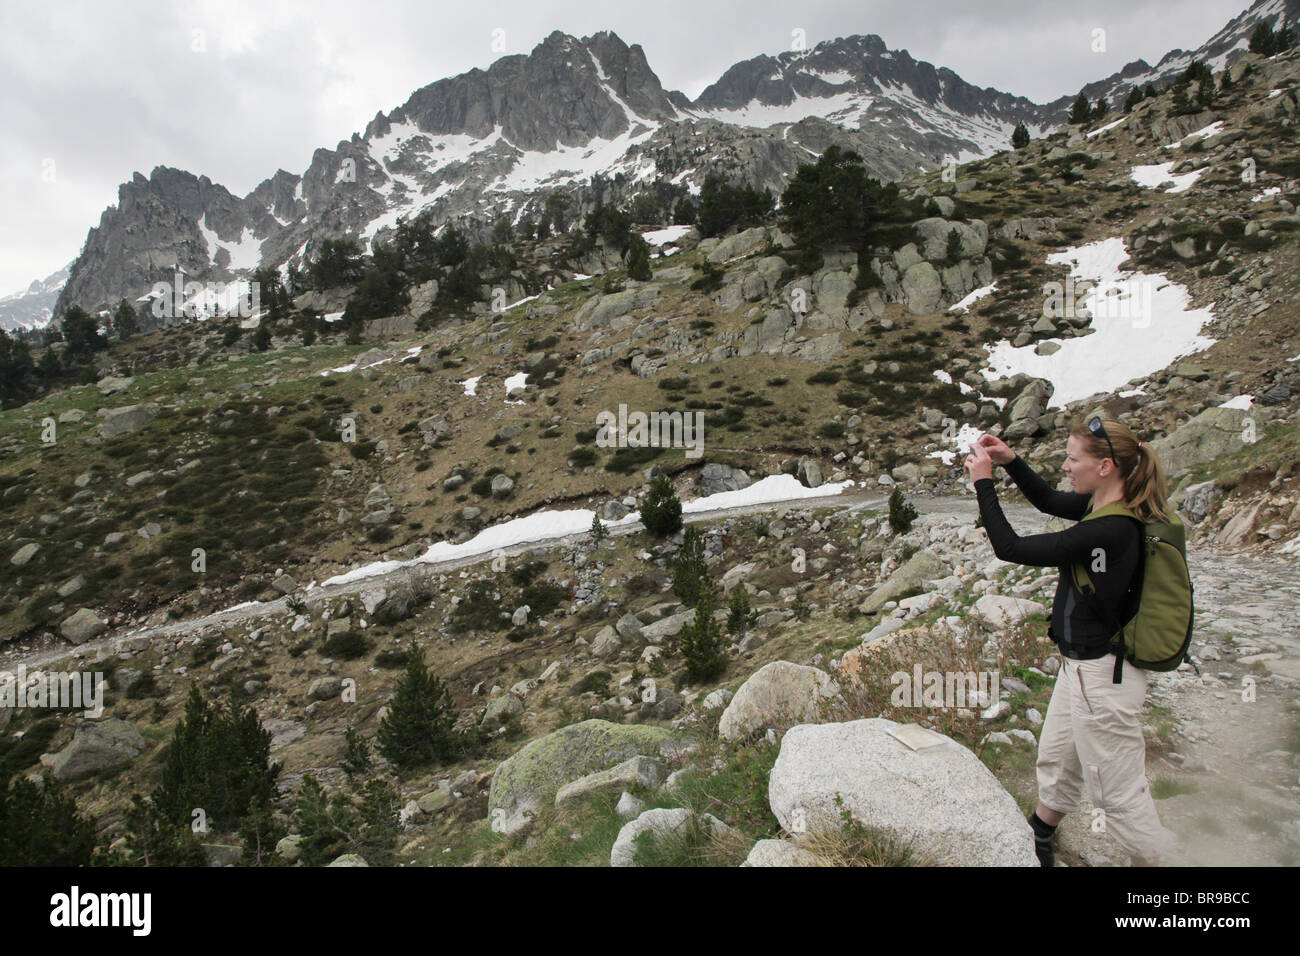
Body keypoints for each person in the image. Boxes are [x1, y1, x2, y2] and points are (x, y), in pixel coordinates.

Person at [962, 416, 1176, 867]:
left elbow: (1012, 548)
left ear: (1104, 467)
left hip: (1103, 677)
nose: (1064, 465)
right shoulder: (1103, 506)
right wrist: (1010, 461)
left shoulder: (1109, 528)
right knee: (1058, 754)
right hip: (1082, 667)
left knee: (1117, 797)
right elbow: (1046, 500)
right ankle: (1041, 832)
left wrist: (984, 484)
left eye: (1073, 458)